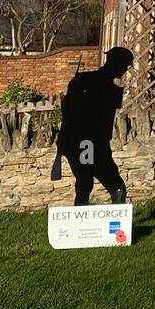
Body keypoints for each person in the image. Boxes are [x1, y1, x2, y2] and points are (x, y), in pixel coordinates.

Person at [51, 47, 134, 206]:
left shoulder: (84, 80)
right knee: (113, 186)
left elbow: (67, 109)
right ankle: (113, 227)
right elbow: (72, 112)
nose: (124, 70)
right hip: (88, 143)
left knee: (85, 183)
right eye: (124, 65)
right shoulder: (100, 85)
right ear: (115, 63)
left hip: (83, 142)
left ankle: (83, 224)